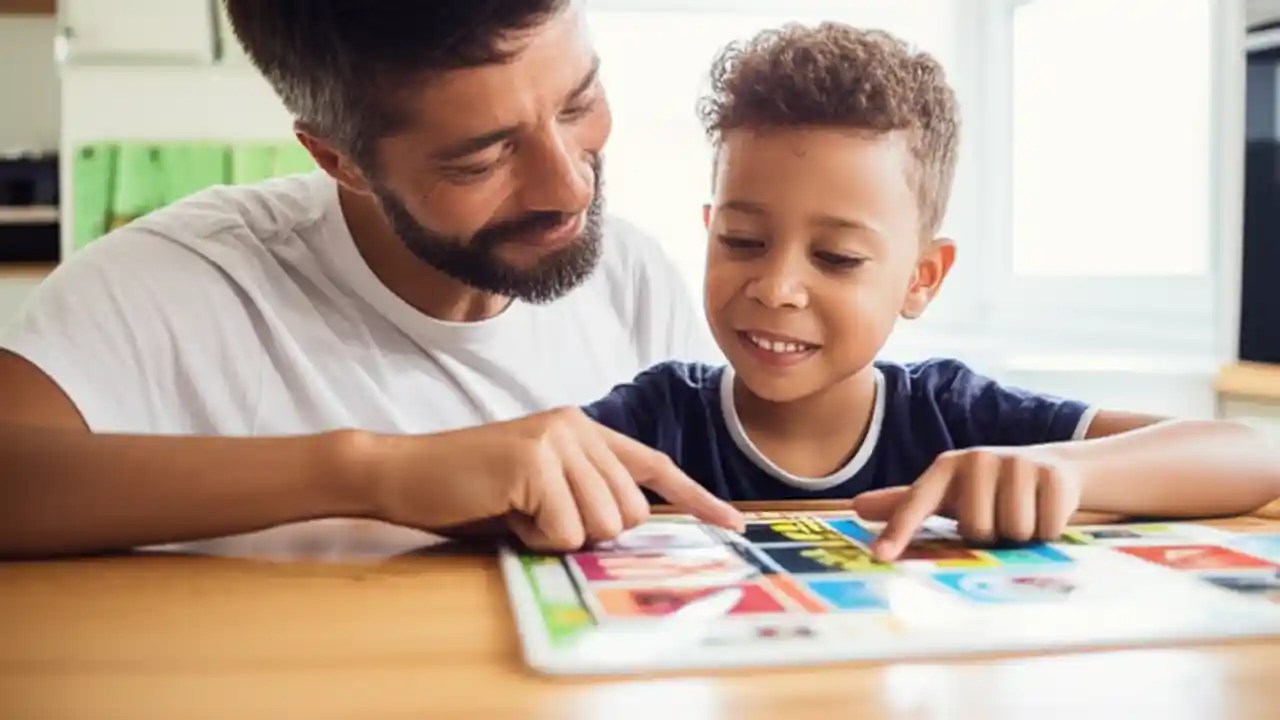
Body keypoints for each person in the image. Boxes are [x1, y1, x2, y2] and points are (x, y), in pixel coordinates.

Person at [0, 1, 745, 559]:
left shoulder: (632, 274)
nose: (569, 188)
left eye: (578, 103)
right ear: (338, 161)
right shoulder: (177, 287)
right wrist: (376, 472)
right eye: (481, 160)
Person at [573, 23, 1280, 561]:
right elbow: (506, 481)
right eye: (742, 241)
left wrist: (1064, 470)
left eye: (838, 256)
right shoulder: (657, 420)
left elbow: (1253, 455)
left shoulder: (955, 416)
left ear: (921, 278)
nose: (778, 287)